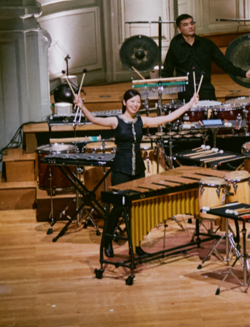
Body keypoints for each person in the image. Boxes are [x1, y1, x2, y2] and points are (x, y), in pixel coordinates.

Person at [74, 88, 200, 257]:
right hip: (121, 170)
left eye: (138, 102)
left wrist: (189, 105)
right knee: (118, 207)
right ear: (124, 103)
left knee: (136, 209)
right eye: (132, 101)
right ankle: (107, 242)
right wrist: (82, 106)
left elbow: (166, 118)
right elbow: (94, 119)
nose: (136, 105)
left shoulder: (142, 120)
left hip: (138, 170)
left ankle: (135, 245)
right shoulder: (116, 121)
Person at [162, 14, 250, 102]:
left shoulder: (206, 44)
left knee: (212, 118)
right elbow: (167, 70)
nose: (190, 26)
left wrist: (244, 73)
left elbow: (224, 63)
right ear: (179, 29)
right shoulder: (176, 46)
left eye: (192, 23)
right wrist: (160, 87)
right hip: (186, 90)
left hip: (205, 88)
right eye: (186, 25)